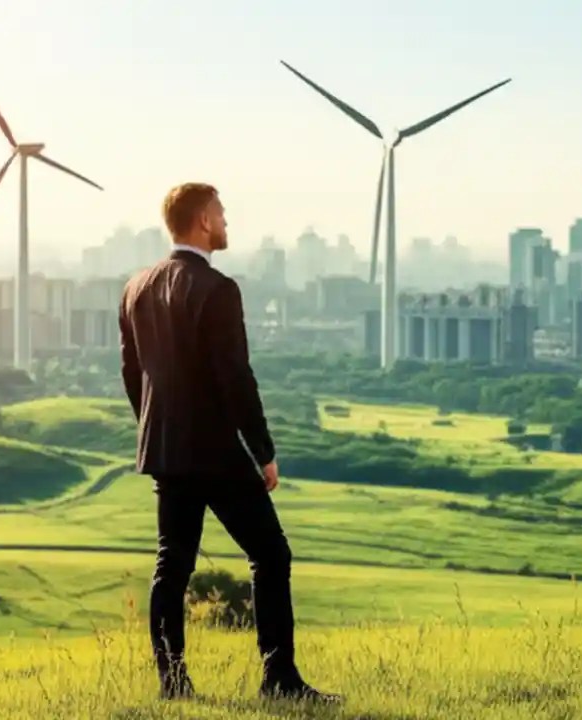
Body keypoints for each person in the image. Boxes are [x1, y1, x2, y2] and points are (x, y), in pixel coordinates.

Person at [118, 182, 339, 703]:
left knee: (172, 566)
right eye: (220, 213)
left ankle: (173, 686)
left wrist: (155, 430)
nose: (226, 221)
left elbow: (133, 373)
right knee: (271, 555)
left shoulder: (136, 286)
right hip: (215, 451)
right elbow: (234, 377)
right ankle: (279, 680)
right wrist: (261, 450)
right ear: (201, 222)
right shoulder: (217, 289)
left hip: (166, 451)